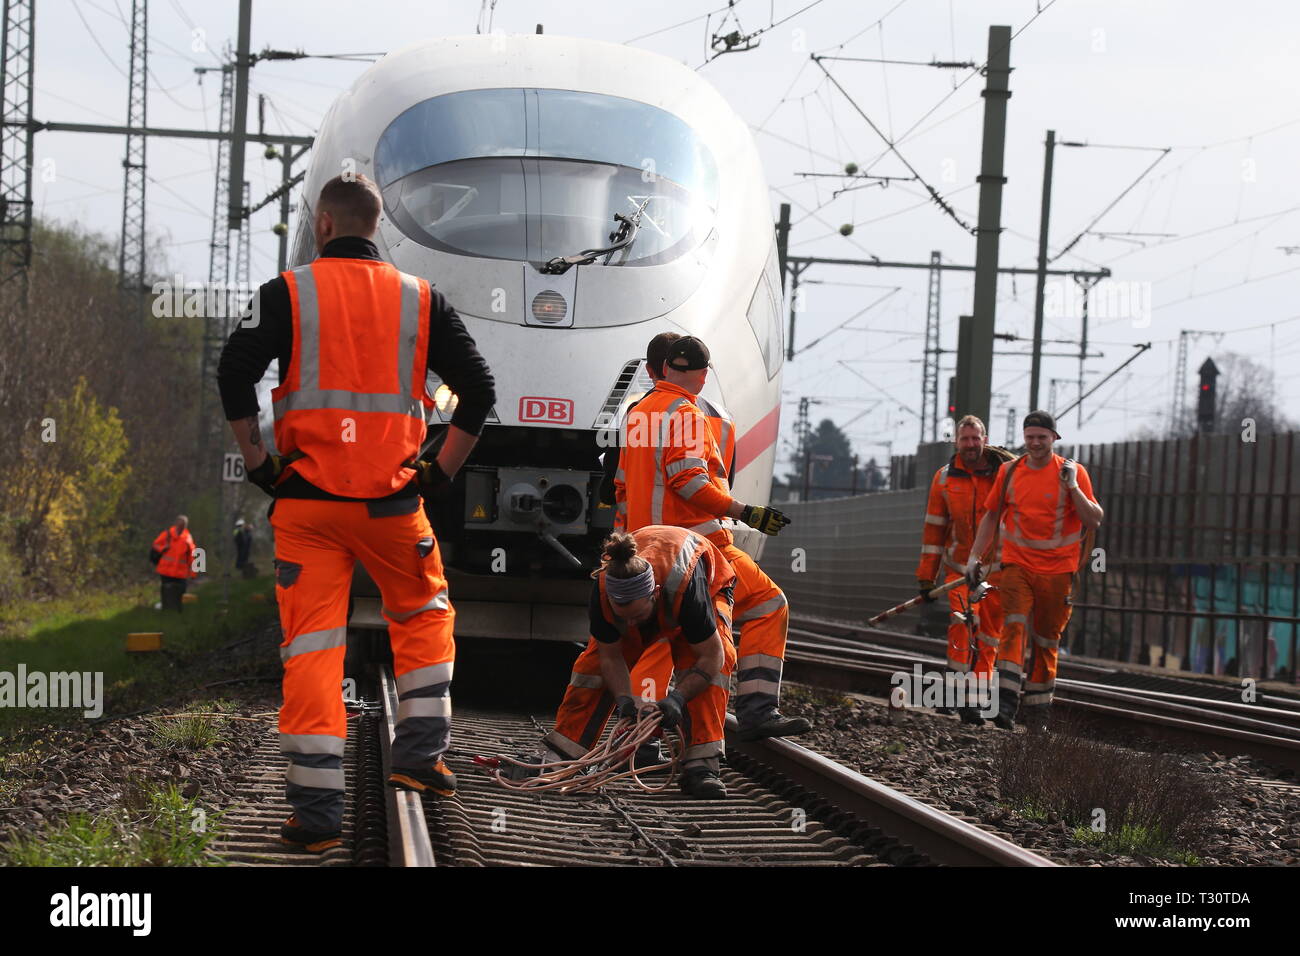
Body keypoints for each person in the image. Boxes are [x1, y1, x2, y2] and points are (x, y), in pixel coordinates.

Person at [217, 173, 496, 854]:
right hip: (391, 505)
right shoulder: (421, 301)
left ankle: (315, 817)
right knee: (424, 615)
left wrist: (258, 461)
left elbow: (233, 371)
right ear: (377, 229)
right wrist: (436, 472)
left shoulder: (288, 293)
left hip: (307, 507)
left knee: (313, 647)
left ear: (323, 225)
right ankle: (420, 756)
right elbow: (481, 392)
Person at [616, 335, 805, 741]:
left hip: (644, 549)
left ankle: (643, 738)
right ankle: (751, 713)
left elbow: (619, 491)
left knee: (656, 640)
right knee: (759, 610)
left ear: (662, 369)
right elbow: (688, 481)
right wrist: (746, 512)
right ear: (703, 376)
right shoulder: (691, 415)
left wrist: (622, 550)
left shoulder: (636, 416)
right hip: (697, 550)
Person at [544, 527, 737, 798]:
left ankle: (701, 766)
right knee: (592, 667)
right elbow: (610, 657)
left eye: (636, 616)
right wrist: (624, 700)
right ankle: (565, 756)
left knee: (710, 662)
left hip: (707, 585)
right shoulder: (603, 592)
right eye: (623, 618)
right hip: (657, 590)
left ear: (655, 594)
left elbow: (711, 656)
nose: (630, 625)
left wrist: (678, 698)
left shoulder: (687, 590)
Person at [967, 411, 1103, 731]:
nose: (1035, 443)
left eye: (1042, 437)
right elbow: (991, 517)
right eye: (1030, 437)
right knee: (1013, 625)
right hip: (1018, 565)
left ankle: (1038, 712)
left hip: (1058, 572)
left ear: (1054, 438)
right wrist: (976, 555)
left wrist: (1073, 489)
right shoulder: (1010, 473)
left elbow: (1093, 519)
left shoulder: (1073, 473)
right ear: (1024, 438)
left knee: (1046, 640)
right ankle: (1004, 702)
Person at [915, 415, 1012, 724]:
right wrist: (926, 578)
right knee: (962, 626)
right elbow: (934, 532)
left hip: (994, 572)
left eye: (975, 438)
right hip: (958, 570)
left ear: (984, 439)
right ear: (956, 441)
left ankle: (975, 701)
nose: (970, 444)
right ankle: (952, 695)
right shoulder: (944, 479)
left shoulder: (1002, 475)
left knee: (989, 638)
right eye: (965, 439)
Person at [151, 515, 197, 612]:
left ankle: (177, 610)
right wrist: (164, 548)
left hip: (180, 572)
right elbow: (155, 544)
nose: (181, 528)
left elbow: (192, 556)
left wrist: (193, 573)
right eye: (179, 525)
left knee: (181, 592)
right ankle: (166, 608)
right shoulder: (167, 534)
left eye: (183, 526)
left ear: (185, 526)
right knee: (166, 591)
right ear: (176, 524)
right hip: (166, 570)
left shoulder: (188, 539)